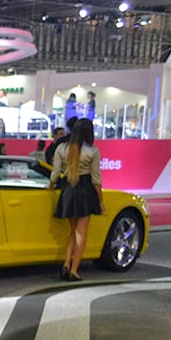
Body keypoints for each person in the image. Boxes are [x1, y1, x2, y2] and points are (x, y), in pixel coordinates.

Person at [49, 118, 103, 282]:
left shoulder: (62, 148)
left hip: (68, 190)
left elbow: (55, 172)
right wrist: (100, 201)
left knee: (73, 232)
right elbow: (96, 179)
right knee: (81, 233)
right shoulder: (92, 151)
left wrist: (50, 186)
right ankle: (74, 270)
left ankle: (66, 264)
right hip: (85, 191)